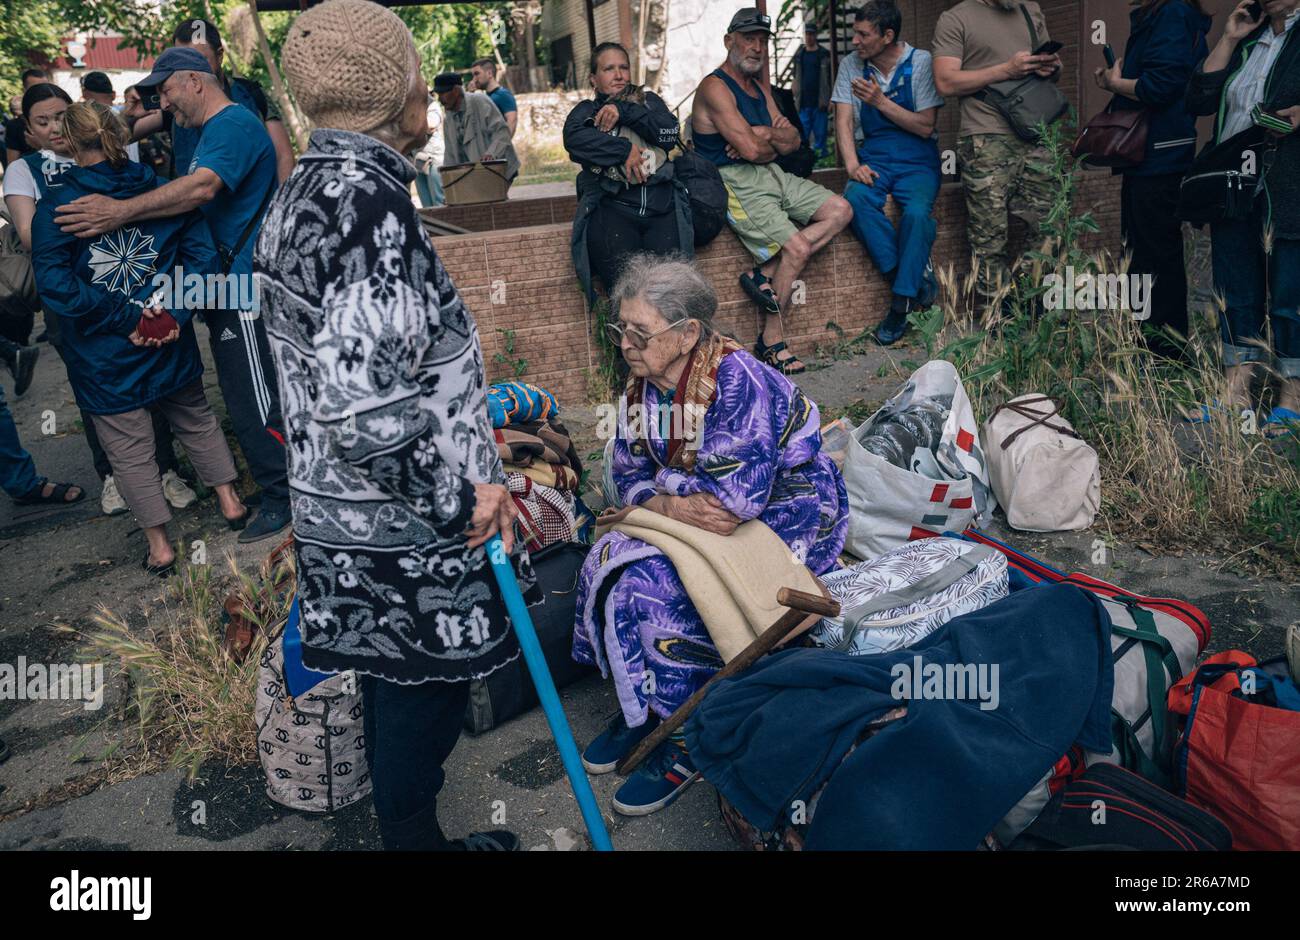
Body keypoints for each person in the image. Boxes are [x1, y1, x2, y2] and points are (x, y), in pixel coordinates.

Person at [262, 0, 540, 852]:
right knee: (426, 691)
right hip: (405, 529)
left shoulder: (303, 187)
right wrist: (463, 502)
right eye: (418, 74)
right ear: (401, 93)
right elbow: (363, 408)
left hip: (338, 515)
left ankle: (408, 837)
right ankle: (416, 843)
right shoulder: (367, 209)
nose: (429, 91)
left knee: (388, 675)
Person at [572, 254, 848, 816]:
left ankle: (692, 731)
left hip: (788, 507)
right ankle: (645, 707)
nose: (625, 342)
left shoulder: (736, 377)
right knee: (611, 560)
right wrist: (673, 496)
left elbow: (734, 504)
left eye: (639, 331)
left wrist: (660, 489)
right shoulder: (641, 389)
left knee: (661, 585)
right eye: (620, 328)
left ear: (688, 332)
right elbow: (624, 475)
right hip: (694, 510)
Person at [54, 46, 293, 542]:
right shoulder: (198, 123)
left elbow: (200, 190)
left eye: (166, 90)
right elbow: (132, 127)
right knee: (234, 389)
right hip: (220, 283)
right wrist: (97, 128)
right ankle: (272, 486)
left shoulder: (232, 126)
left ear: (195, 81)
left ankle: (283, 496)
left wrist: (118, 212)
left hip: (243, 283)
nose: (163, 102)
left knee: (253, 395)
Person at [30, 103, 249, 573]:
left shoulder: (58, 209)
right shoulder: (159, 190)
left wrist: (128, 319)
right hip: (165, 333)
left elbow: (57, 287)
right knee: (195, 416)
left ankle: (160, 547)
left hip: (104, 350)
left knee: (127, 447)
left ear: (66, 142)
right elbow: (201, 256)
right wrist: (171, 312)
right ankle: (231, 502)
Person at [4, 83, 195, 515]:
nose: (54, 128)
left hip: (129, 282)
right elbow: (34, 238)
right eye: (42, 121)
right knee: (96, 390)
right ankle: (113, 475)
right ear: (28, 130)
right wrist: (82, 214)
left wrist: (109, 214)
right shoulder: (24, 172)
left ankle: (164, 469)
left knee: (153, 371)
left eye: (60, 116)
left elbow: (144, 207)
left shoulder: (110, 150)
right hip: (72, 299)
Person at [690, 7, 853, 376]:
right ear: (729, 41)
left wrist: (762, 135)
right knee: (797, 248)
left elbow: (793, 140)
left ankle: (765, 269)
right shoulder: (714, 87)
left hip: (772, 173)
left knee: (841, 210)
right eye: (749, 39)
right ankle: (771, 341)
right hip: (736, 180)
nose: (757, 47)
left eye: (763, 41)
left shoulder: (759, 86)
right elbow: (748, 152)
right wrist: (765, 137)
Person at [1187, 0, 1300, 429]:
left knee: (1290, 296)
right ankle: (1235, 395)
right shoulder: (1249, 38)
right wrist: (1230, 36)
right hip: (1234, 182)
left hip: (1287, 187)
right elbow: (1197, 98)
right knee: (1234, 292)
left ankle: (1292, 400)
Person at [931, 0, 1063, 311]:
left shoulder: (1030, 10)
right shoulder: (955, 18)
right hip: (984, 137)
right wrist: (1006, 69)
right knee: (989, 239)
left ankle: (1037, 310)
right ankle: (999, 320)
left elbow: (1055, 70)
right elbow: (945, 81)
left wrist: (1049, 66)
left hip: (1035, 133)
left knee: (1051, 228)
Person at [833, 0, 943, 346]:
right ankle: (908, 282)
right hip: (876, 157)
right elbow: (844, 119)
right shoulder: (852, 65)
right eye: (855, 33)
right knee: (855, 199)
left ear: (887, 35)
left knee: (916, 215)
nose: (856, 41)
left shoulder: (921, 62)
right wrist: (852, 165)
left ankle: (899, 306)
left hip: (917, 159)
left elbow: (925, 126)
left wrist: (880, 102)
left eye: (863, 34)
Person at [564, 42, 689, 302]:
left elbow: (668, 135)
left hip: (661, 211)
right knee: (624, 296)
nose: (618, 75)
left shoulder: (649, 102)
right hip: (614, 214)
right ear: (594, 79)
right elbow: (574, 141)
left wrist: (625, 112)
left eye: (623, 67)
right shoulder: (588, 111)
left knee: (670, 295)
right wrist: (623, 150)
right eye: (609, 69)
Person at [130, 19, 295, 183]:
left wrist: (282, 205)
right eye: (181, 63)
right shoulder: (172, 103)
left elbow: (283, 156)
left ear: (220, 55)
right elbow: (122, 136)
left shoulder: (250, 94)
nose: (191, 70)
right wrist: (128, 114)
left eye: (199, 59)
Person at [435, 72, 520, 185]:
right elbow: (450, 153)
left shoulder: (479, 101)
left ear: (455, 91)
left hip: (500, 169)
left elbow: (502, 133)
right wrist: (448, 183)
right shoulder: (448, 119)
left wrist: (491, 154)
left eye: (442, 93)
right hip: (476, 174)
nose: (440, 99)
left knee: (492, 200)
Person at [792, 22, 832, 157]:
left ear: (816, 35)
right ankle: (806, 160)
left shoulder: (824, 54)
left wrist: (831, 99)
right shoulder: (799, 55)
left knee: (821, 135)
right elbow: (795, 77)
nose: (809, 37)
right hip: (803, 103)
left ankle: (821, 160)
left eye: (811, 34)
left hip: (820, 102)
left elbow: (832, 78)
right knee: (803, 134)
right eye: (807, 34)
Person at [123, 85, 173, 180]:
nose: (164, 103)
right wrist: (129, 115)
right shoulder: (171, 111)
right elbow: (118, 137)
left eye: (167, 90)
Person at [3, 69, 48, 167]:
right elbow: (12, 165)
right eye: (35, 88)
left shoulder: (64, 117)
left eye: (45, 87)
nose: (42, 92)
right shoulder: (15, 126)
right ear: (25, 90)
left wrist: (42, 146)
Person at [471, 57, 519, 138]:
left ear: (489, 73)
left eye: (477, 74)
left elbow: (512, 121)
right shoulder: (485, 97)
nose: (474, 79)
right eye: (473, 75)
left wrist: (501, 146)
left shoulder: (503, 95)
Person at [413, 94, 445, 208]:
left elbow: (431, 125)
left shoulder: (432, 106)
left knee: (439, 201)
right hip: (418, 159)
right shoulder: (411, 106)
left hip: (434, 160)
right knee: (426, 204)